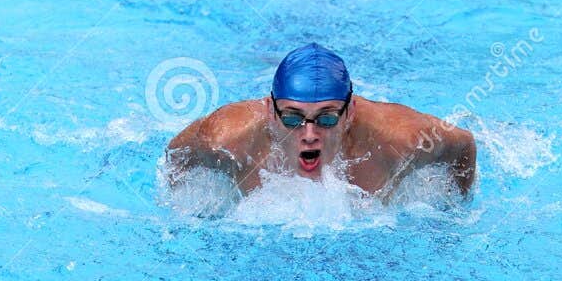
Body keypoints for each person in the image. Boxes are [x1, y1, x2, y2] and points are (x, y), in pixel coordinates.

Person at [166, 43, 476, 198]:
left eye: (326, 119)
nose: (309, 134)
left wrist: (454, 214)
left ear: (350, 112)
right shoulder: (225, 139)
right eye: (292, 118)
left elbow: (462, 143)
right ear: (270, 112)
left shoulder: (401, 140)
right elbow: (176, 155)